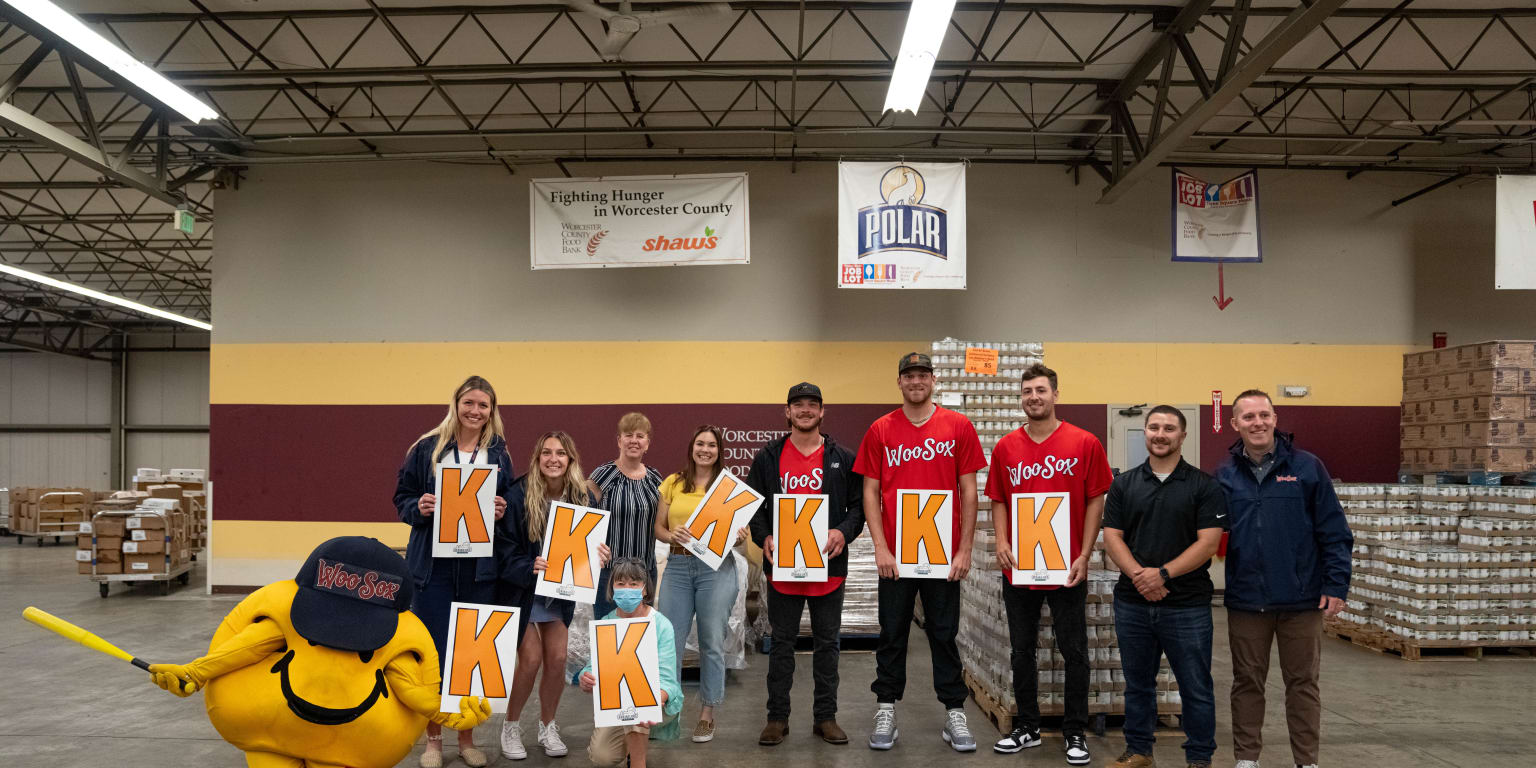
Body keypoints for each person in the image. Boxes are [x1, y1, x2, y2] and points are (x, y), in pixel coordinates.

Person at [854, 352, 986, 752]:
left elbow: (968, 491)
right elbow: (870, 492)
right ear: (899, 382)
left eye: (922, 375)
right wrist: (880, 547)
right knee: (892, 634)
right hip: (895, 555)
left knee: (944, 634)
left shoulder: (958, 426)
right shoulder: (881, 429)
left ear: (934, 379)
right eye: (908, 375)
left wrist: (964, 550)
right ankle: (886, 707)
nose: (916, 381)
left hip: (943, 556)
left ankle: (954, 712)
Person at [1217, 390, 1352, 768]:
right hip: (1246, 600)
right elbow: (1205, 535)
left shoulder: (1308, 467)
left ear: (1275, 418)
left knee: (1303, 684)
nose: (1257, 423)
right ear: (1235, 424)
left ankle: (1306, 761)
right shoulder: (1225, 474)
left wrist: (1336, 585)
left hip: (1301, 599)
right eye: (1248, 417)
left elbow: (1335, 532)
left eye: (1264, 415)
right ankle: (1247, 759)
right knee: (1246, 683)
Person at [985, 363, 1110, 766]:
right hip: (1018, 567)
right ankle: (1028, 727)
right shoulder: (1006, 447)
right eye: (1027, 392)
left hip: (1066, 566)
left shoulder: (1084, 442)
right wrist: (1002, 540)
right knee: (1022, 650)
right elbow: (999, 499)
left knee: (1074, 651)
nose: (1033, 397)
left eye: (1040, 390)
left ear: (1055, 394)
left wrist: (1085, 554)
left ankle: (1075, 731)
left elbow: (1096, 500)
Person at [392, 375, 514, 768]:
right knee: (434, 653)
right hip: (433, 568)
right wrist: (419, 508)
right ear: (456, 404)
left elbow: (508, 499)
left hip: (479, 570)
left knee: (470, 654)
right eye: (470, 403)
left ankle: (465, 737)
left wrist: (501, 509)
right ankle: (432, 740)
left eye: (484, 405)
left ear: (492, 411)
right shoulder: (427, 448)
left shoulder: (498, 453)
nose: (476, 411)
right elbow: (402, 497)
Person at [1102, 406, 1225, 768]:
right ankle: (1139, 751)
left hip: (1187, 605)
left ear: (1182, 436)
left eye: (1169, 428)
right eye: (1154, 427)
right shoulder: (1124, 484)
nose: (1160, 433)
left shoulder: (1204, 485)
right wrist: (1141, 576)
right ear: (1145, 432)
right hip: (1133, 602)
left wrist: (1163, 575)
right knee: (1137, 684)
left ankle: (1200, 759)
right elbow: (1112, 536)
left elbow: (1208, 543)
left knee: (1196, 688)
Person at [746, 382, 866, 746]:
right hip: (783, 569)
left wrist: (843, 532)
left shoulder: (842, 458)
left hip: (828, 569)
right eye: (798, 404)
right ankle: (777, 718)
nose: (805, 410)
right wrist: (763, 537)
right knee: (782, 644)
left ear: (822, 411)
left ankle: (825, 717)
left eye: (812, 404)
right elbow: (755, 506)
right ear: (787, 412)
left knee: (828, 644)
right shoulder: (768, 457)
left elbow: (859, 506)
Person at [498, 431, 610, 761]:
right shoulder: (518, 494)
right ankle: (511, 725)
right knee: (530, 659)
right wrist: (527, 564)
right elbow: (502, 548)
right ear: (537, 458)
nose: (553, 459)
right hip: (521, 591)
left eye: (561, 453)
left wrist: (598, 554)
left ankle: (548, 725)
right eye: (546, 452)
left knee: (558, 659)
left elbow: (588, 548)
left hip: (556, 595)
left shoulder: (581, 499)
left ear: (570, 460)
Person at [653, 424, 750, 744]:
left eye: (711, 445)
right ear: (691, 448)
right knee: (669, 643)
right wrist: (672, 535)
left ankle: (708, 714)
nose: (705, 449)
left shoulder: (729, 489)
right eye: (700, 444)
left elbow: (738, 545)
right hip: (679, 566)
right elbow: (659, 529)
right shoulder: (672, 483)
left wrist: (739, 539)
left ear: (719, 451)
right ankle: (669, 712)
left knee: (711, 641)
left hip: (716, 569)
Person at [580, 558, 685, 768]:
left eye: (634, 583)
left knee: (637, 703)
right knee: (602, 756)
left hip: (656, 704)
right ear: (612, 587)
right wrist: (587, 677)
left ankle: (639, 762)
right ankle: (631, 744)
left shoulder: (660, 625)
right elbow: (594, 667)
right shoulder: (606, 623)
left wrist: (654, 700)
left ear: (645, 589)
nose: (626, 588)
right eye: (621, 583)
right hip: (617, 706)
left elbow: (669, 682)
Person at [589, 412, 664, 619]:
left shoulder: (656, 478)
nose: (634, 441)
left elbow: (663, 521)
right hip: (610, 574)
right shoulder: (603, 475)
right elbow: (582, 514)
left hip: (644, 573)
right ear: (619, 440)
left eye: (640, 436)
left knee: (639, 637)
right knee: (608, 635)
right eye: (628, 435)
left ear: (648, 443)